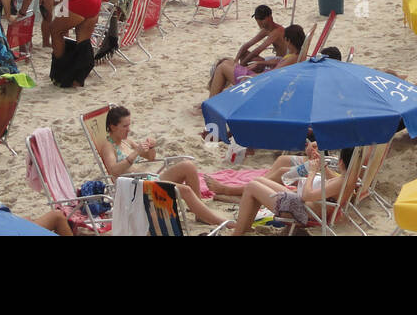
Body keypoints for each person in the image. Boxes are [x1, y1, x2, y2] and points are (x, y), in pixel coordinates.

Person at [99, 106, 238, 227]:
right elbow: (113, 171)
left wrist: (150, 147)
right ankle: (219, 221)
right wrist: (135, 153)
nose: (128, 129)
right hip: (135, 189)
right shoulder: (108, 146)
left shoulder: (126, 141)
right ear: (112, 126)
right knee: (185, 190)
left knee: (188, 166)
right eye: (125, 126)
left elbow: (151, 157)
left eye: (129, 125)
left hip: (148, 179)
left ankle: (200, 214)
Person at [230, 141, 353, 233]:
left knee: (252, 186)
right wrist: (323, 166)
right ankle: (244, 227)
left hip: (302, 211)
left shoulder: (342, 182)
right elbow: (331, 181)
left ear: (340, 162)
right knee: (259, 180)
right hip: (305, 207)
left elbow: (307, 195)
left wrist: (312, 172)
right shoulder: (348, 178)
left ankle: (238, 232)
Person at [15, 0, 102, 66]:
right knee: (82, 41)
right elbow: (60, 0)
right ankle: (80, 73)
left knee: (55, 31)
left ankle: (61, 66)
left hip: (80, 0)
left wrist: (22, 12)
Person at [207, 24, 305, 96]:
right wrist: (260, 62)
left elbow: (272, 75)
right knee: (226, 61)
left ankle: (209, 104)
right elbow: (279, 64)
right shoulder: (297, 54)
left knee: (222, 66)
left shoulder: (292, 58)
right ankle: (211, 99)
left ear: (288, 40)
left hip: (258, 83)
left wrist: (254, 76)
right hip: (262, 79)